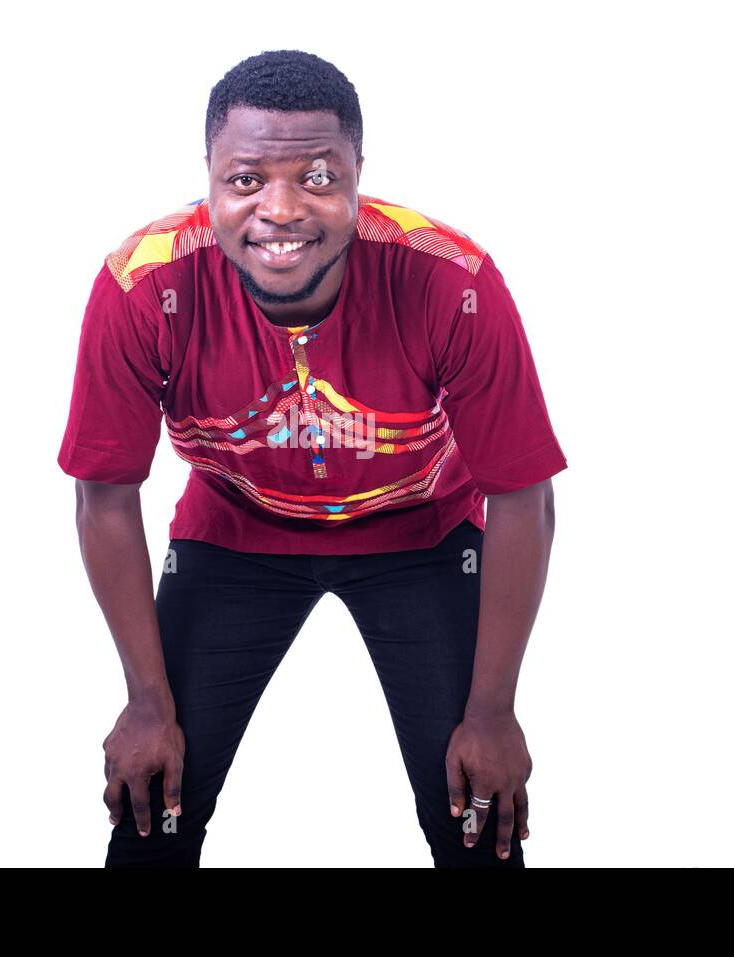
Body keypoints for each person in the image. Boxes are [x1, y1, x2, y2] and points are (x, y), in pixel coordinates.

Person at [57, 49, 568, 867]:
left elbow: (522, 498)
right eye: (248, 179)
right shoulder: (141, 283)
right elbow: (105, 495)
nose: (281, 210)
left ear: (359, 175)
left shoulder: (450, 278)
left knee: (479, 810)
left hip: (420, 535)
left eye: (319, 177)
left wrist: (495, 710)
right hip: (233, 533)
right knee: (153, 807)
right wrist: (146, 701)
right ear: (211, 177)